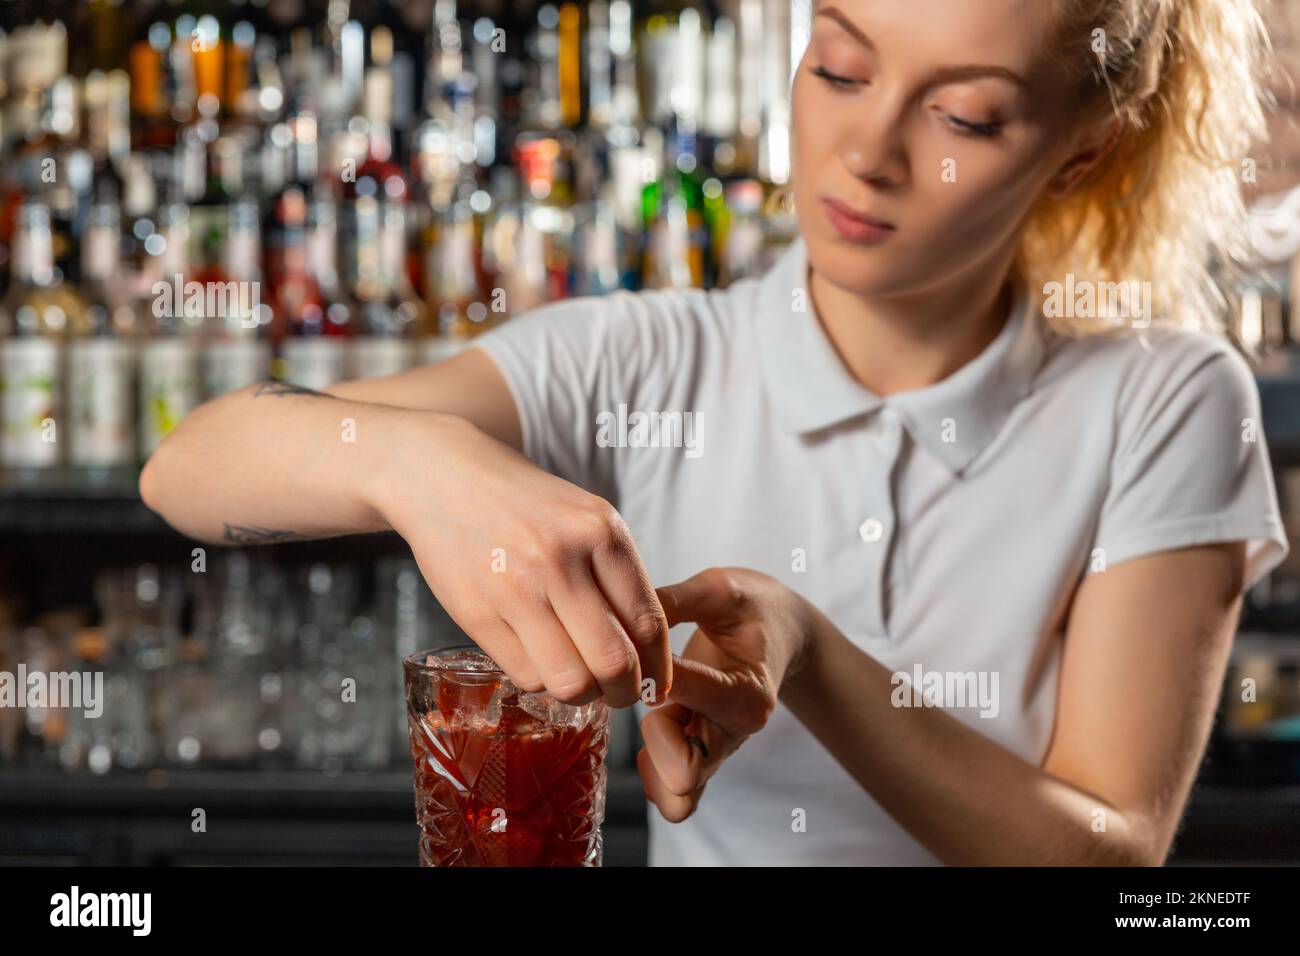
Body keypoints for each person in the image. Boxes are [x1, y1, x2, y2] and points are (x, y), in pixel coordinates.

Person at [141, 0, 1291, 865]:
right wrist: (410, 458)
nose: (866, 151)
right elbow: (187, 465)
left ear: (1081, 150)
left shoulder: (1163, 399)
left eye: (963, 115)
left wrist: (811, 654)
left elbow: (1110, 850)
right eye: (838, 66)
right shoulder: (640, 359)